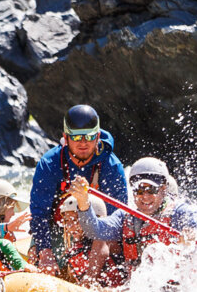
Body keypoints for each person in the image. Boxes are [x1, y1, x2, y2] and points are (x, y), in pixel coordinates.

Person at [67, 156, 197, 284]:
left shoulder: (179, 212)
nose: (144, 196)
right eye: (139, 191)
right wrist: (83, 203)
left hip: (179, 291)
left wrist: (196, 234)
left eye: (151, 190)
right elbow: (95, 230)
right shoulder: (124, 216)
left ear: (163, 189)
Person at [27, 104, 128, 277]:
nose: (83, 142)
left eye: (89, 136)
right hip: (60, 228)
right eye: (76, 137)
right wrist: (45, 252)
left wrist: (96, 267)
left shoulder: (111, 166)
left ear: (97, 137)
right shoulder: (50, 164)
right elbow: (39, 214)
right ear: (66, 138)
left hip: (98, 230)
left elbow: (116, 219)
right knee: (39, 258)